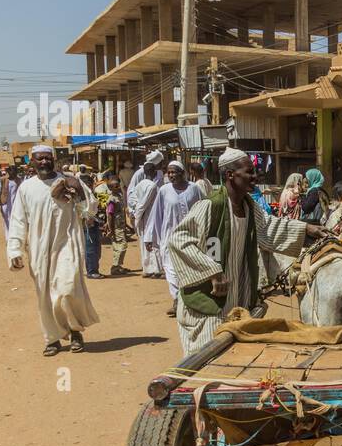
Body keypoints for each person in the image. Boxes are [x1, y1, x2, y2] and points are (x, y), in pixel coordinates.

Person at [167, 147, 327, 355]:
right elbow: (179, 240)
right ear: (230, 175)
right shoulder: (210, 206)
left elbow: (269, 228)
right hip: (209, 306)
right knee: (208, 362)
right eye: (249, 172)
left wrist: (307, 228)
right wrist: (212, 271)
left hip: (237, 300)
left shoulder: (250, 207)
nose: (255, 176)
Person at [6, 145, 100, 355]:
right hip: (39, 249)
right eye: (39, 159)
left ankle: (75, 331)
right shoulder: (26, 188)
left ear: (54, 160)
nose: (44, 162)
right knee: (45, 295)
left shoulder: (68, 181)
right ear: (32, 161)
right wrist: (15, 250)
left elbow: (90, 210)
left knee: (68, 289)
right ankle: (53, 338)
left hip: (68, 243)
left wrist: (79, 193)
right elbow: (18, 221)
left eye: (48, 158)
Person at [153, 160, 205, 316]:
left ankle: (190, 300)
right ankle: (177, 300)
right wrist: (152, 237)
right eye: (169, 172)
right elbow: (158, 215)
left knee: (189, 268)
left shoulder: (194, 189)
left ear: (183, 173)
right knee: (170, 270)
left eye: (174, 172)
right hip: (169, 236)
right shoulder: (163, 190)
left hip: (191, 236)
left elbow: (203, 209)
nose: (171, 175)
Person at [128, 151, 166, 277]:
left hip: (151, 213)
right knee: (150, 241)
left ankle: (153, 268)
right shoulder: (142, 178)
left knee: (150, 240)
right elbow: (133, 196)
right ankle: (152, 268)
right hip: (147, 214)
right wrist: (134, 213)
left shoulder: (158, 175)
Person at [101, 170, 131, 275]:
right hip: (115, 227)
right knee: (122, 245)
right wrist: (110, 229)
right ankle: (115, 266)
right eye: (116, 186)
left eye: (118, 185)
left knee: (117, 246)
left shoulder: (119, 197)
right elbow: (110, 215)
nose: (118, 188)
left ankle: (118, 266)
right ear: (111, 188)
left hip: (120, 225)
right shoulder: (112, 199)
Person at [79, 172, 104, 280]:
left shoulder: (89, 194)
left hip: (92, 223)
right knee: (91, 248)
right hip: (88, 224)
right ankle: (92, 271)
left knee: (95, 248)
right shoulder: (83, 195)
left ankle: (93, 269)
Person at [0, 166, 21, 234]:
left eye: (15, 172)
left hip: (16, 204)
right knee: (7, 220)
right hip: (5, 204)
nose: (14, 174)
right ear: (9, 172)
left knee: (15, 220)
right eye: (12, 172)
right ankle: (8, 237)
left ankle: (14, 235)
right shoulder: (3, 180)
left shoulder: (19, 180)